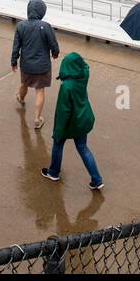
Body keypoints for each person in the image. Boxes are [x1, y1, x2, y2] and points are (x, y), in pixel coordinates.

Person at [41, 52, 104, 190]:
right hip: (82, 119)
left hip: (71, 122)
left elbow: (64, 111)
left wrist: (58, 131)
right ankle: (97, 179)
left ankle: (53, 172)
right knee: (83, 148)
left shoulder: (66, 86)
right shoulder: (84, 75)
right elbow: (85, 66)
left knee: (58, 144)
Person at [11, 0, 59, 129]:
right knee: (40, 90)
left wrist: (14, 61)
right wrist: (55, 53)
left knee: (24, 83)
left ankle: (21, 98)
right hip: (42, 66)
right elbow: (53, 43)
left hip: (26, 65)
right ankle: (37, 119)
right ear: (42, 12)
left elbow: (16, 46)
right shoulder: (45, 26)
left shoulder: (21, 25)